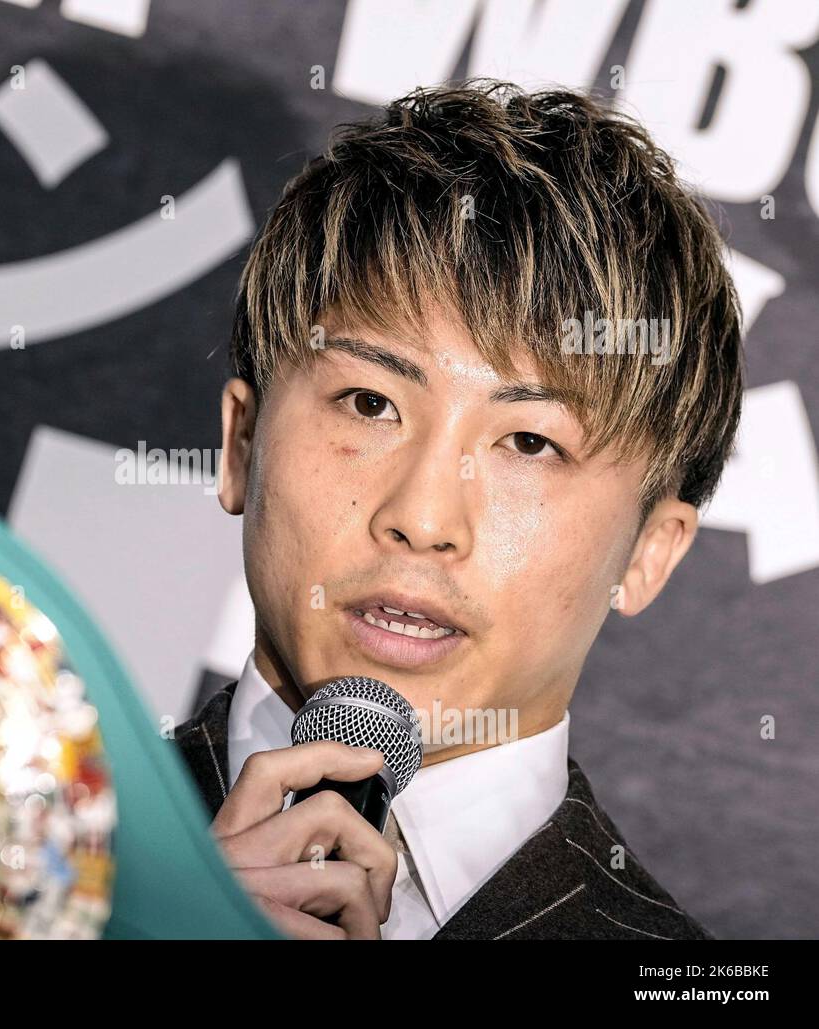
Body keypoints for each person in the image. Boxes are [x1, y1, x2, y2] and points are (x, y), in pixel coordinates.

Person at [172, 80, 742, 940]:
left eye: (529, 443)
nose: (424, 516)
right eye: (370, 404)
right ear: (242, 445)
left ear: (648, 553)